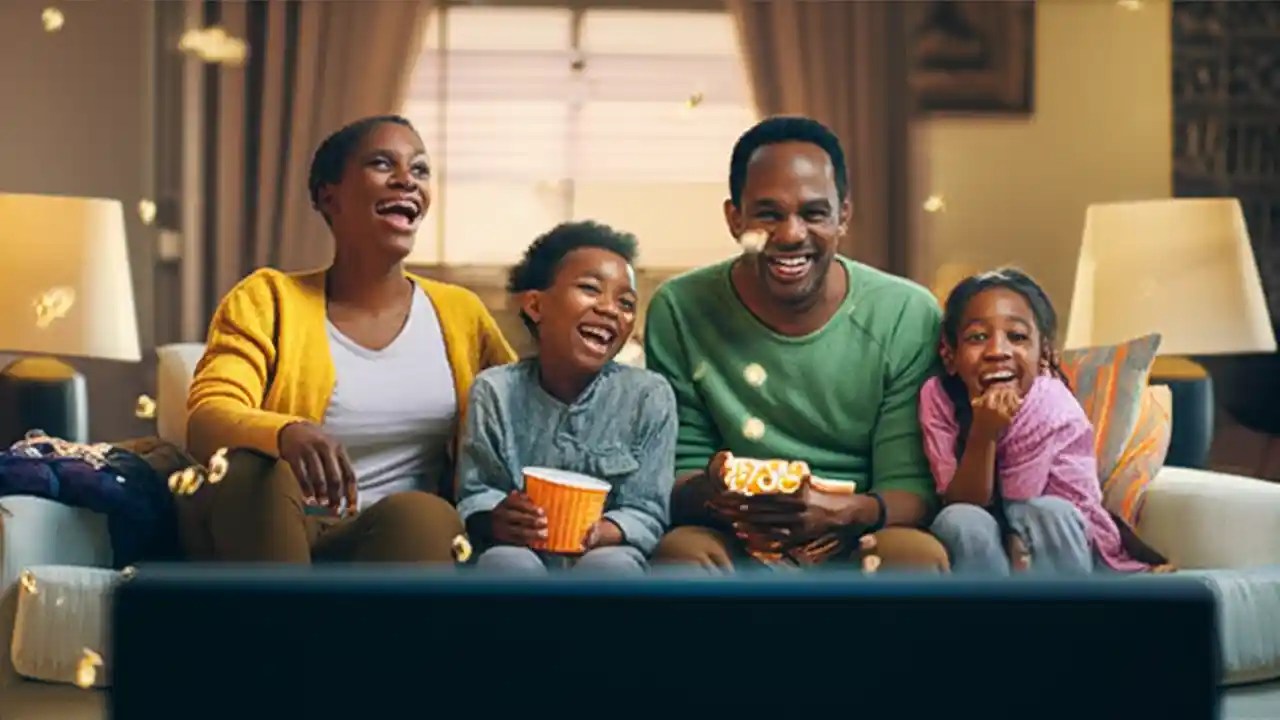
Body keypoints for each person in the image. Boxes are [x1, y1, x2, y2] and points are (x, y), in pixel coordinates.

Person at [178, 114, 516, 564]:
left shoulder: (461, 314)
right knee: (253, 470)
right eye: (382, 164)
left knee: (428, 516)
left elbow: (523, 414)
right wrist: (286, 433)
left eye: (419, 170)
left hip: (392, 540)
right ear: (328, 196)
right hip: (276, 529)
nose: (406, 182)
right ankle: (280, 630)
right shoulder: (269, 299)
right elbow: (206, 421)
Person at [645, 116, 949, 571]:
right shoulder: (680, 308)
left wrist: (844, 513)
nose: (790, 235)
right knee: (681, 557)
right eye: (768, 214)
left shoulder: (906, 314)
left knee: (917, 558)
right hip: (729, 530)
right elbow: (677, 474)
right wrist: (717, 491)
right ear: (735, 218)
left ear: (843, 215)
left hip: (861, 529)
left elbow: (911, 487)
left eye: (813, 213)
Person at [455, 221, 677, 574]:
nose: (610, 309)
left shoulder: (648, 397)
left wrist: (606, 531)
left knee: (611, 569)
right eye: (590, 289)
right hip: (517, 549)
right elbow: (476, 493)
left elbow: (648, 509)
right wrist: (496, 518)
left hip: (608, 552)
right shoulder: (495, 391)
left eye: (626, 302)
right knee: (505, 564)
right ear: (536, 305)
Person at [922, 268, 1168, 574]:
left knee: (1046, 512)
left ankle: (1062, 615)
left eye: (1017, 337)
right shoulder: (937, 396)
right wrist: (983, 432)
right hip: (994, 532)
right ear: (950, 355)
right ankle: (988, 616)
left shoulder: (1049, 403)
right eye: (977, 337)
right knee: (958, 519)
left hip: (1070, 540)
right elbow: (960, 499)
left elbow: (1019, 505)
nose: (998, 351)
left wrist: (995, 427)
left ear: (1043, 355)